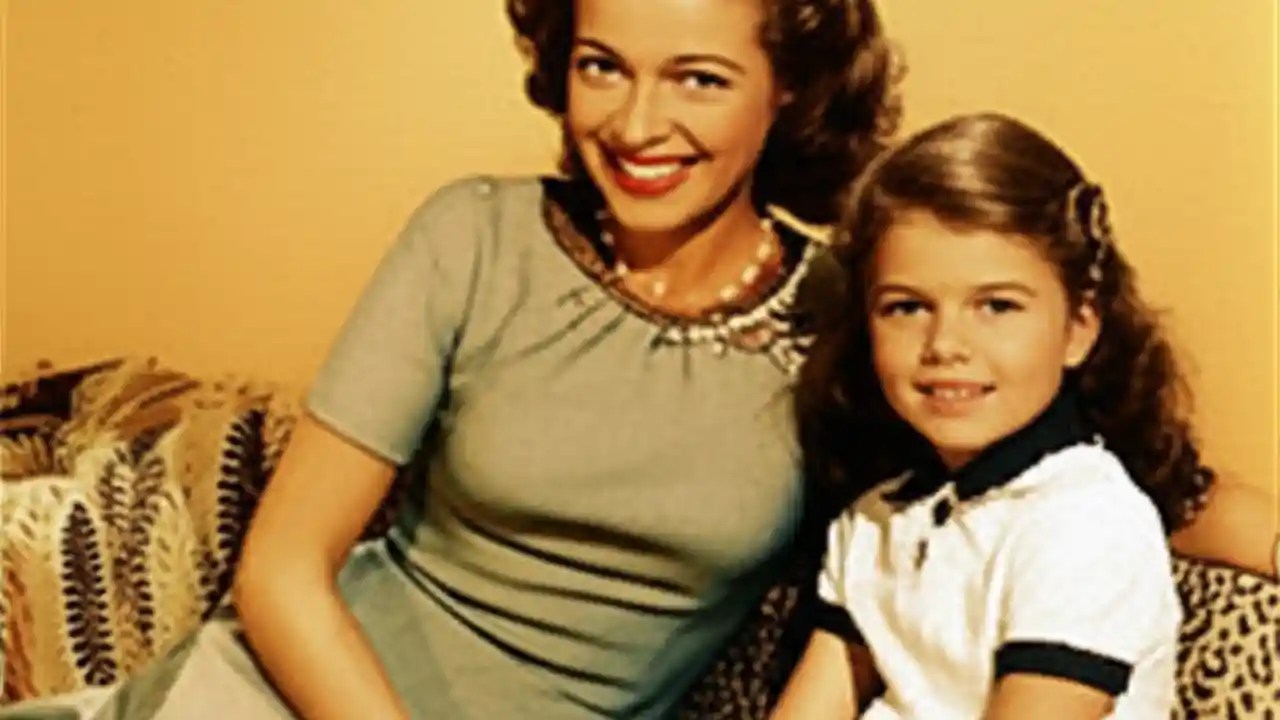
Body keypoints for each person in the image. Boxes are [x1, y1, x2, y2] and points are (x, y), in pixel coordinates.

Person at [0, 0, 900, 718]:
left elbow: (914, 575)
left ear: (790, 87)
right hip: (285, 699)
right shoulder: (473, 237)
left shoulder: (845, 324)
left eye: (699, 79)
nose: (636, 124)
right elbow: (280, 570)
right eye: (602, 66)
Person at [772, 113, 1216, 719]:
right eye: (906, 307)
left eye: (997, 305)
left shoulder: (1085, 523)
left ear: (1078, 330)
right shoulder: (877, 518)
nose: (945, 343)